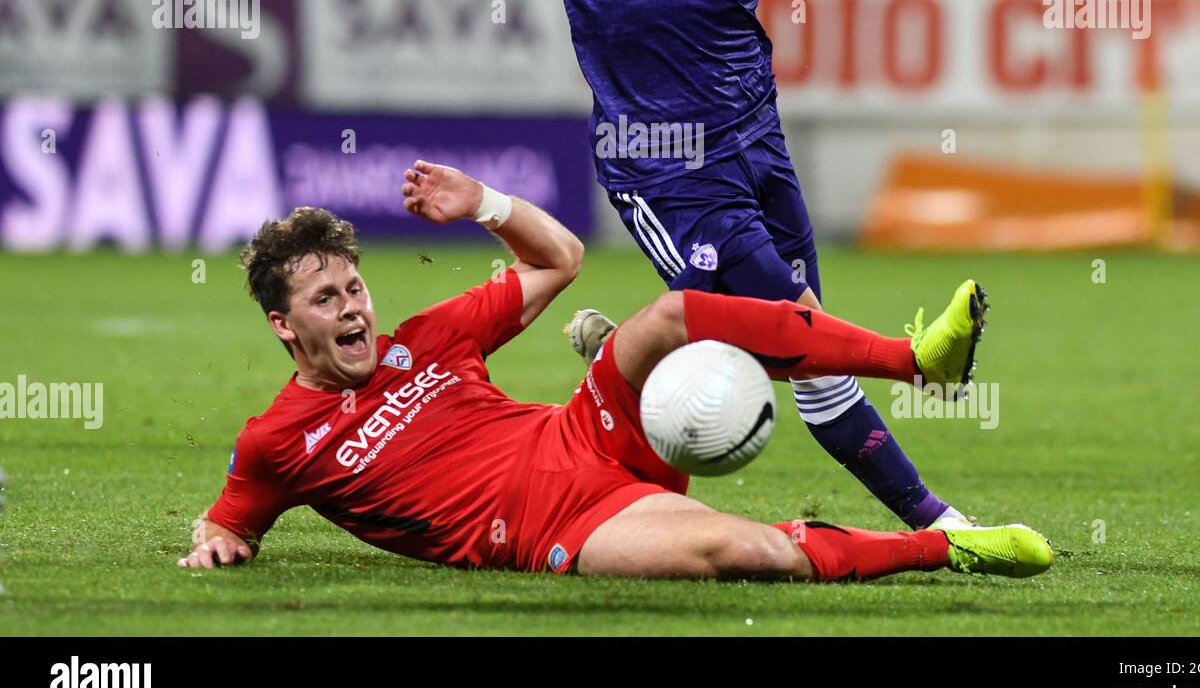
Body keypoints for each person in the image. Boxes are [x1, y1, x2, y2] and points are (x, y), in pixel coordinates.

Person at [293, 0, 981, 533]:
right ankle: (938, 508)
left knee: (791, 342)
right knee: (798, 327)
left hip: (754, 135)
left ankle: (631, 350)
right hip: (656, 154)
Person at [178, 162, 1052, 582]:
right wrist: (216, 541)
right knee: (741, 551)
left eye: (355, 286)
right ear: (283, 327)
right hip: (558, 526)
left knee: (669, 315)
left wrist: (482, 204)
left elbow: (558, 259)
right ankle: (949, 546)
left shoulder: (425, 339)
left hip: (584, 433)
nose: (355, 309)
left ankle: (915, 361)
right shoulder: (275, 442)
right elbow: (228, 525)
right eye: (327, 301)